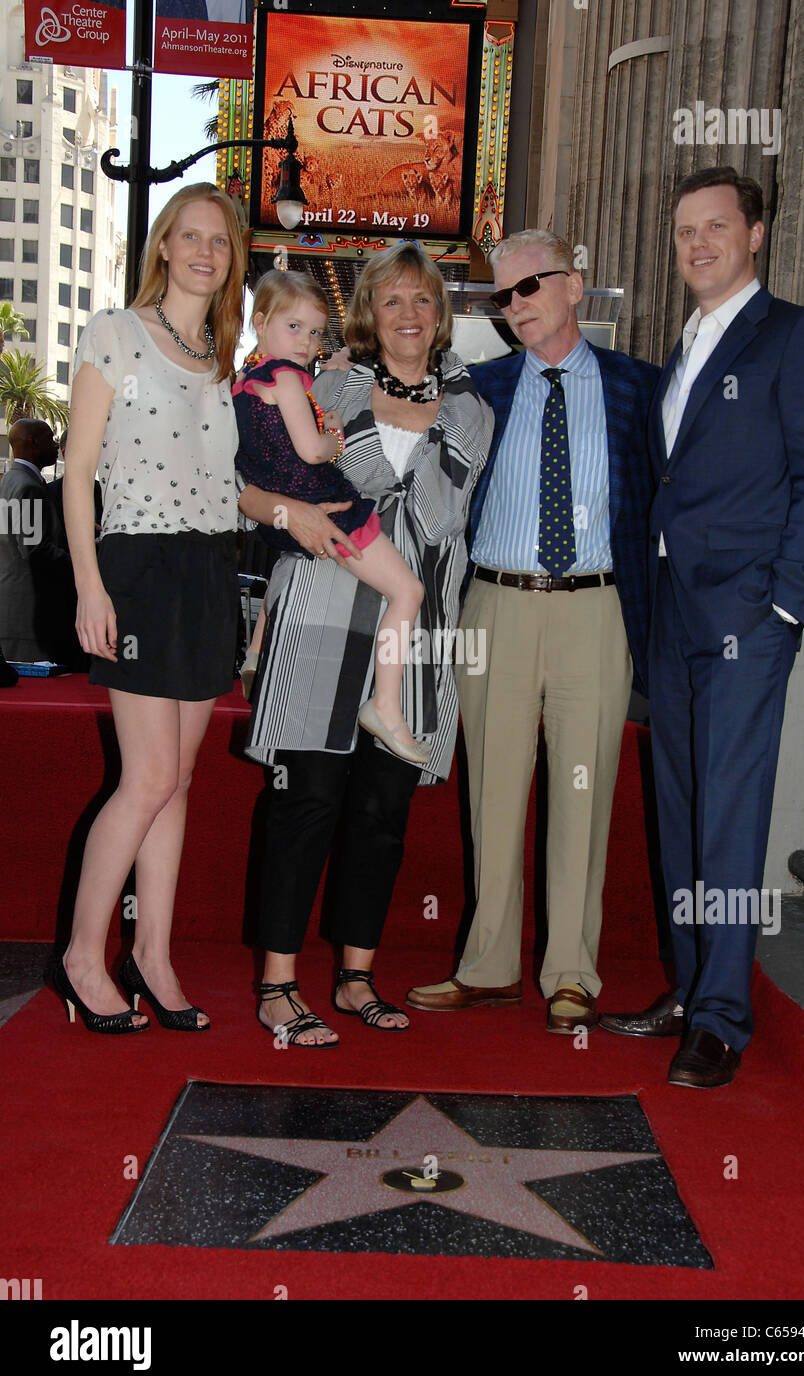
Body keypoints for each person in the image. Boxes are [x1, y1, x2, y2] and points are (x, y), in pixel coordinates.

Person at [599, 167, 804, 1087]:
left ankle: (721, 1017)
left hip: (748, 617)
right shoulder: (682, 347)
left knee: (730, 818)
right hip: (673, 617)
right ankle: (686, 983)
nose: (696, 243)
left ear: (754, 236)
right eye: (682, 231)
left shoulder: (796, 336)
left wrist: (785, 602)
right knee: (679, 813)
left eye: (714, 227)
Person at [236, 241, 493, 1047]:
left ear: (439, 314)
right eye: (391, 301)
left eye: (421, 300)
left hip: (412, 633)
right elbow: (249, 479)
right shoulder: (321, 382)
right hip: (320, 607)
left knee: (381, 812)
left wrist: (337, 483)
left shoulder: (470, 410)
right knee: (304, 798)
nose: (408, 314)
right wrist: (289, 511)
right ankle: (278, 985)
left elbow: (438, 517)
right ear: (369, 315)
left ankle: (354, 977)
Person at [407, 229, 659, 1034]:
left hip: (596, 607)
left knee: (583, 795)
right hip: (496, 606)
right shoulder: (476, 389)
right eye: (500, 295)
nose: (512, 305)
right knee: (493, 791)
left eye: (528, 287)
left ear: (574, 286)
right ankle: (485, 967)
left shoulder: (638, 389)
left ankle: (570, 974)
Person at [56, 182, 245, 1034]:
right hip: (138, 565)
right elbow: (79, 468)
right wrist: (91, 585)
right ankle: (81, 958)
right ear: (164, 246)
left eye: (219, 240)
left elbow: (233, 485)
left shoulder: (223, 355)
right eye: (189, 236)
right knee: (149, 778)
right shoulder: (116, 334)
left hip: (209, 570)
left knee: (179, 782)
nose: (205, 251)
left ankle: (154, 958)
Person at [234, 270, 428, 763]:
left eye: (316, 331)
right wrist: (337, 438)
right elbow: (313, 450)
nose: (306, 342)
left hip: (284, 520)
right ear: (260, 321)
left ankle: (257, 650)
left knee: (286, 572)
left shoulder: (243, 385)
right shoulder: (289, 378)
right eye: (294, 327)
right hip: (334, 510)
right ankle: (386, 704)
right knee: (407, 592)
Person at [0, 418, 79, 666]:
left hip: (17, 612)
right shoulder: (27, 487)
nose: (55, 446)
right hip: (30, 617)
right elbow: (36, 550)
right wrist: (84, 563)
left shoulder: (11, 480)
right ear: (33, 443)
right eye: (50, 439)